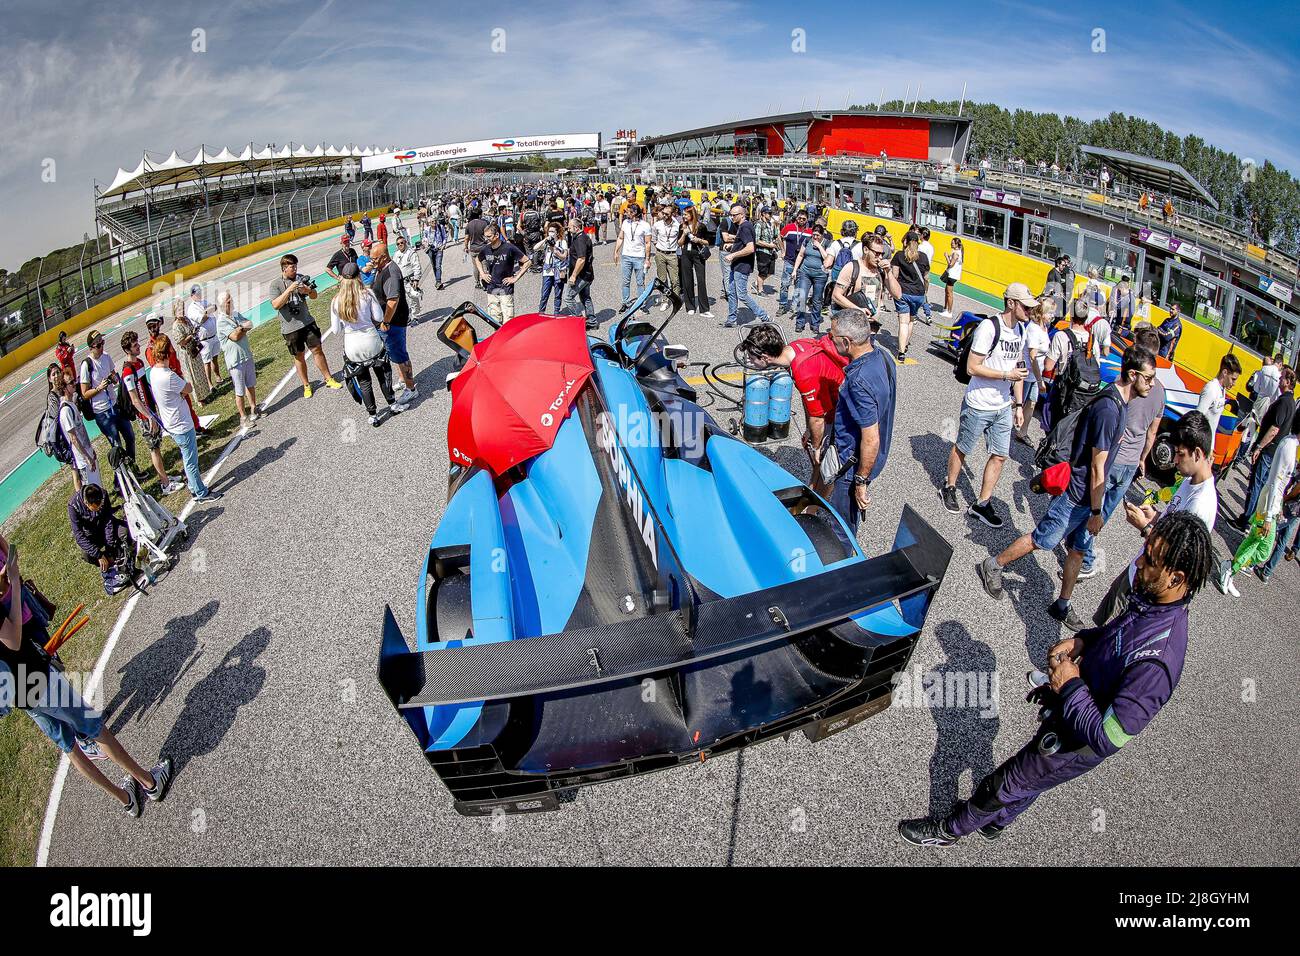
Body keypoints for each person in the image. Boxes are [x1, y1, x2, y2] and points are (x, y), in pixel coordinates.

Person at [899, 510, 1212, 848]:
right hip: (1071, 710)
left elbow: (1107, 738)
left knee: (1004, 782)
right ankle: (997, 822)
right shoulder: (1153, 603)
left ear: (1176, 579)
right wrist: (1084, 641)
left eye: (1149, 561)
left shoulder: (1159, 661)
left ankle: (949, 831)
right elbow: (1118, 638)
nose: (1137, 564)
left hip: (1076, 744)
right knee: (1031, 782)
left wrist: (1071, 685)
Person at [978, 347, 1156, 629]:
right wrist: (1097, 512)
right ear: (1132, 374)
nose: (1152, 383)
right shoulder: (1109, 409)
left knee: (1077, 551)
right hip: (1078, 496)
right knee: (1042, 539)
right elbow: (1097, 467)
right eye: (1149, 377)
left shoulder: (1120, 403)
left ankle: (1062, 604)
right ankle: (993, 564)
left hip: (1087, 497)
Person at [0, 537, 173, 818]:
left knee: (69, 747)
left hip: (19, 694)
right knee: (94, 729)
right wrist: (15, 584)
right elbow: (13, 639)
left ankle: (125, 798)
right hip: (34, 678)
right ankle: (149, 782)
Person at [1089, 411, 1218, 625]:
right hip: (1138, 571)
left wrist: (1144, 526)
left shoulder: (1201, 505)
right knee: (1101, 625)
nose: (1175, 460)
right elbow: (1174, 528)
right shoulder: (1189, 481)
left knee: (1106, 639)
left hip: (1146, 588)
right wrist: (1157, 516)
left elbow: (1174, 559)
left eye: (1180, 454)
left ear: (1197, 453)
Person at [1073, 327, 1167, 583]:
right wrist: (1142, 459)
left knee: (1093, 507)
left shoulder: (1129, 384)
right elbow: (1152, 432)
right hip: (1131, 462)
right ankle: (1082, 550)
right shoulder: (1160, 391)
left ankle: (1083, 557)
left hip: (1113, 458)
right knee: (1104, 511)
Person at [940, 284, 1035, 526]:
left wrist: (1018, 405)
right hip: (979, 402)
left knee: (1000, 455)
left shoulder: (1021, 331)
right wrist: (1006, 375)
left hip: (1003, 405)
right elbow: (973, 367)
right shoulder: (989, 327)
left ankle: (981, 503)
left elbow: (1019, 371)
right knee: (963, 447)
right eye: (1026, 306)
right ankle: (949, 486)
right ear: (1011, 303)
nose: (1030, 311)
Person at [740, 322, 848, 492]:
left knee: (823, 462)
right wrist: (809, 431)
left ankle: (819, 504)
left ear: (765, 358)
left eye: (753, 359)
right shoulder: (796, 346)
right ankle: (813, 487)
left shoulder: (804, 371)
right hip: (830, 401)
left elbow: (818, 418)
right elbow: (810, 406)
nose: (750, 362)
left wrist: (817, 446)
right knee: (815, 456)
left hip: (840, 412)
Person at [825, 310, 896, 530]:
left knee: (842, 527)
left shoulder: (858, 381)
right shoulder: (882, 356)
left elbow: (871, 438)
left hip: (850, 467)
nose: (829, 337)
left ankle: (845, 562)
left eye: (832, 336)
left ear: (846, 342)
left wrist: (860, 481)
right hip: (865, 459)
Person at [1217, 413, 1300, 596]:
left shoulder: (1291, 445)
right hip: (1268, 504)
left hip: (1271, 503)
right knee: (1261, 547)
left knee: (1257, 543)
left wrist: (1275, 509)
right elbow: (1274, 483)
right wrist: (1270, 514)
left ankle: (1231, 570)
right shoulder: (1288, 446)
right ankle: (1230, 568)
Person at [331, 264, 407, 427]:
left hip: (352, 345)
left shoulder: (336, 301)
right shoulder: (367, 294)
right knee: (383, 373)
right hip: (371, 339)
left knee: (364, 381)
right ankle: (393, 404)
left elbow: (336, 330)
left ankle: (373, 415)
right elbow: (379, 317)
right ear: (359, 275)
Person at [149, 335, 217, 502]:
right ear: (166, 353)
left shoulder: (154, 372)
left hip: (171, 421)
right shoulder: (168, 375)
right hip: (180, 422)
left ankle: (195, 487)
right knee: (191, 460)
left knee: (188, 457)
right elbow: (188, 388)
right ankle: (200, 492)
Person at [269, 254, 342, 399]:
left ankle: (328, 378)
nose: (295, 270)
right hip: (290, 328)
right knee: (299, 356)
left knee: (317, 350)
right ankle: (306, 386)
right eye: (292, 267)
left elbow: (314, 296)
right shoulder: (275, 284)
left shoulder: (300, 278)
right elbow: (276, 305)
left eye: (296, 266)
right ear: (284, 268)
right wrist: (289, 290)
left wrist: (307, 291)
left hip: (307, 322)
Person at [1232, 365, 1296, 529]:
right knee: (1260, 486)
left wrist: (1259, 446)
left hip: (1268, 450)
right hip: (1272, 451)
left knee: (1256, 485)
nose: (1279, 380)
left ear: (1288, 382)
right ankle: (1249, 518)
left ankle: (1245, 520)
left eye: (1281, 378)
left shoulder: (1284, 402)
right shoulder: (1290, 402)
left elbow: (1274, 429)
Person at [120, 332, 182, 494]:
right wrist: (148, 417)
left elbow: (146, 387)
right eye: (134, 345)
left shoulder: (139, 363)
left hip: (151, 411)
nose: (138, 346)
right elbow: (134, 399)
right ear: (127, 350)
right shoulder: (127, 371)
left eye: (137, 343)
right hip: (144, 415)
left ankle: (165, 477)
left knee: (157, 445)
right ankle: (165, 484)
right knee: (153, 448)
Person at [367, 242, 418, 403]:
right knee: (395, 354)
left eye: (374, 259)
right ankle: (403, 379)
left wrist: (385, 321)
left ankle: (411, 389)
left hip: (394, 322)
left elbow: (393, 300)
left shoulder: (391, 273)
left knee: (400, 354)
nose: (372, 262)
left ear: (383, 257)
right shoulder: (382, 267)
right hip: (391, 321)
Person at [78, 329, 137, 466]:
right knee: (116, 445)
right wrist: (99, 388)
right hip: (102, 412)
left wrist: (114, 378)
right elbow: (84, 393)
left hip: (115, 405)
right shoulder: (87, 365)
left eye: (102, 343)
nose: (101, 347)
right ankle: (121, 478)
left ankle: (132, 465)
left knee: (130, 436)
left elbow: (115, 377)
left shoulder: (106, 356)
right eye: (98, 345)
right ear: (91, 347)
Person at [68, 482, 133, 592]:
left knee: (125, 531)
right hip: (91, 534)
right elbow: (79, 535)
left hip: (106, 527)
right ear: (86, 503)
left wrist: (109, 548)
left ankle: (122, 558)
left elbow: (108, 521)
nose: (98, 509)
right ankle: (110, 566)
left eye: (100, 506)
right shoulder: (73, 506)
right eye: (95, 508)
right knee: (86, 555)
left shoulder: (103, 493)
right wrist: (98, 555)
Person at [1014, 298, 1055, 445]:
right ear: (1042, 312)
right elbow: (1032, 357)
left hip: (1034, 374)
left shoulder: (1043, 327)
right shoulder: (1034, 329)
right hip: (1027, 373)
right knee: (1017, 401)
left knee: (1031, 403)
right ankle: (995, 419)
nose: (1052, 315)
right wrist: (1040, 380)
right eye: (1050, 312)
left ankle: (1022, 432)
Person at [215, 292, 260, 427]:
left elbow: (250, 323)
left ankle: (254, 408)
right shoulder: (221, 321)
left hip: (246, 355)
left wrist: (241, 328)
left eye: (231, 299)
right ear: (222, 305)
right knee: (239, 390)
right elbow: (235, 336)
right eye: (228, 301)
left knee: (250, 384)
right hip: (235, 360)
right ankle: (243, 417)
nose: (231, 302)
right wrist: (241, 328)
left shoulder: (235, 314)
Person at [722, 203, 770, 328]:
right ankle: (731, 320)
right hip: (737, 265)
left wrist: (732, 255)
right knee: (731, 292)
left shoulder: (745, 227)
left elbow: (750, 248)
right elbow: (743, 244)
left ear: (742, 215)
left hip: (742, 266)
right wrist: (732, 247)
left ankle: (764, 316)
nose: (731, 217)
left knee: (742, 294)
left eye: (734, 215)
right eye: (730, 215)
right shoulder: (742, 226)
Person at [476, 224, 531, 325]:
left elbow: (527, 262)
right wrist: (482, 273)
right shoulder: (486, 249)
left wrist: (515, 278)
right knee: (494, 320)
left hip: (506, 289)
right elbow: (477, 259)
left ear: (497, 235)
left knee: (508, 321)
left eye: (489, 236)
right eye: (485, 236)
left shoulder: (509, 248)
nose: (486, 239)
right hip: (491, 289)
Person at [890, 232, 931, 363]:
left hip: (903, 293)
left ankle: (901, 353)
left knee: (903, 322)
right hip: (919, 294)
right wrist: (925, 293)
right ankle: (906, 345)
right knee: (911, 321)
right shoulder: (924, 257)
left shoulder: (899, 256)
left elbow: (895, 276)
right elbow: (926, 278)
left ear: (905, 241)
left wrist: (891, 291)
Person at [58, 371, 100, 491]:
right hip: (82, 461)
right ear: (64, 388)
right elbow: (74, 439)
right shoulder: (65, 411)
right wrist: (87, 457)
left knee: (97, 486)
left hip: (87, 454)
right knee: (91, 492)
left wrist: (90, 450)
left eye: (74, 380)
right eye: (71, 382)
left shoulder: (72, 404)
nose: (75, 383)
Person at [789, 223, 833, 335]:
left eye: (818, 235)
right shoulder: (807, 241)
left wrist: (819, 246)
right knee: (802, 296)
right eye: (814, 235)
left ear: (822, 235)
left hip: (820, 275)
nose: (815, 237)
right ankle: (800, 322)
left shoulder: (827, 243)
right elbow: (800, 255)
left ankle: (815, 324)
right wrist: (795, 270)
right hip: (805, 273)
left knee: (817, 300)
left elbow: (827, 259)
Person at [1255, 475, 1300, 582]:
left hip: (1291, 506)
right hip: (1297, 512)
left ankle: (1251, 561)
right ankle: (1267, 572)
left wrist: (1285, 498)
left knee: (1270, 529)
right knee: (1283, 541)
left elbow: (1297, 489)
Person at [614, 202, 652, 315]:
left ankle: (642, 305)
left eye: (628, 211)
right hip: (626, 256)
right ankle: (625, 303)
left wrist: (647, 259)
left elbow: (648, 243)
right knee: (625, 281)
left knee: (640, 282)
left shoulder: (645, 225)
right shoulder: (626, 222)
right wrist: (616, 251)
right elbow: (620, 238)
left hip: (639, 257)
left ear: (635, 213)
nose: (626, 213)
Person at [561, 217, 597, 330]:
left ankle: (579, 320)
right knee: (585, 297)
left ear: (576, 228)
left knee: (568, 297)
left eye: (570, 227)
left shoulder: (580, 240)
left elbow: (581, 259)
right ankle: (592, 321)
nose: (568, 229)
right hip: (587, 274)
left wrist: (573, 276)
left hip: (581, 275)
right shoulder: (583, 237)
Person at [1196, 352, 1242, 440]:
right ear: (1225, 372)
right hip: (1200, 444)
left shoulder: (1222, 389)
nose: (1234, 383)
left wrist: (1211, 447)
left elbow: (1213, 423)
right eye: (1233, 379)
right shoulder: (1211, 389)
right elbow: (1197, 418)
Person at [187, 285, 224, 391]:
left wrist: (207, 311)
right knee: (206, 362)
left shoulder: (204, 302)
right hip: (204, 340)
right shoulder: (191, 309)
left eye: (200, 293)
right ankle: (209, 383)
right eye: (197, 293)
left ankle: (217, 376)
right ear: (192, 295)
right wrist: (208, 311)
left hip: (213, 335)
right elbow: (201, 319)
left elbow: (215, 307)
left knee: (215, 358)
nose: (199, 295)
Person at [679, 204, 713, 317]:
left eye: (685, 214)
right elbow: (679, 243)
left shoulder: (701, 226)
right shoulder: (682, 226)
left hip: (698, 254)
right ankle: (690, 306)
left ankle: (704, 309)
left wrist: (699, 240)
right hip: (686, 254)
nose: (683, 216)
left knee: (701, 280)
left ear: (691, 214)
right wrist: (684, 234)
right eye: (683, 214)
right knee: (687, 280)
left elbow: (708, 242)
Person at [777, 208, 812, 315]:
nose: (801, 220)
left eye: (804, 219)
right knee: (785, 284)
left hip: (802, 263)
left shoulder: (809, 231)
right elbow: (780, 237)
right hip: (789, 260)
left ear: (807, 220)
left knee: (799, 286)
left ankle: (795, 306)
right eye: (800, 218)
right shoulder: (789, 228)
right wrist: (783, 251)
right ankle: (782, 305)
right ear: (796, 218)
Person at [651, 203, 683, 310]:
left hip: (672, 255)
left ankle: (676, 300)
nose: (664, 215)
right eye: (663, 213)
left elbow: (680, 240)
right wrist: (659, 248)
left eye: (667, 214)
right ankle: (664, 300)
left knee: (675, 280)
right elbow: (654, 238)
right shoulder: (657, 225)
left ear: (673, 214)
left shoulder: (677, 225)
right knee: (662, 279)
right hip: (660, 253)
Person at [534, 224, 570, 315]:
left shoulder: (562, 242)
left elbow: (564, 256)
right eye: (549, 231)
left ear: (557, 233)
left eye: (553, 231)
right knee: (544, 293)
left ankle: (556, 312)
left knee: (558, 294)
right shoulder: (546, 242)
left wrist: (554, 249)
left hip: (559, 270)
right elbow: (535, 248)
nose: (551, 233)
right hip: (548, 271)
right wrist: (545, 239)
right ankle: (541, 312)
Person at [752, 206, 779, 295]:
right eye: (769, 213)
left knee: (770, 271)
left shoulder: (770, 224)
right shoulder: (759, 224)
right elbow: (756, 240)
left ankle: (756, 283)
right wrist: (769, 245)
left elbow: (775, 236)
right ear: (763, 214)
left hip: (771, 251)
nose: (771, 215)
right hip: (762, 251)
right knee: (763, 272)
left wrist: (777, 227)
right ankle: (760, 290)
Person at [941, 238, 963, 318]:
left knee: (949, 293)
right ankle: (945, 308)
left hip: (952, 275)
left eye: (953, 243)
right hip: (953, 275)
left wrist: (946, 256)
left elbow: (951, 264)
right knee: (947, 291)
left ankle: (949, 311)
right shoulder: (958, 252)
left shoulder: (956, 253)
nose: (951, 244)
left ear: (957, 244)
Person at [426, 216, 448, 290]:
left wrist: (443, 245)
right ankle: (437, 280)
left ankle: (438, 281)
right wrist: (425, 244)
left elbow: (445, 236)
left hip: (439, 249)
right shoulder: (427, 230)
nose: (434, 222)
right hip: (430, 250)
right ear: (429, 223)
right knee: (434, 266)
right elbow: (424, 238)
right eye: (432, 221)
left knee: (438, 265)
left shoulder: (440, 227)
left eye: (435, 221)